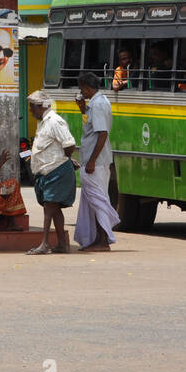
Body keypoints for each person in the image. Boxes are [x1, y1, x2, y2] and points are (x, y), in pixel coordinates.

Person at [25, 90, 78, 255]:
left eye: (32, 107)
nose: (31, 111)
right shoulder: (43, 122)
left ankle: (45, 243)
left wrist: (66, 159)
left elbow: (69, 144)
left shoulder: (55, 121)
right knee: (53, 209)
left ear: (40, 107)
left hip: (56, 170)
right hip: (47, 171)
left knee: (49, 207)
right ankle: (62, 244)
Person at [74, 72, 121, 251]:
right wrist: (82, 109)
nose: (81, 92)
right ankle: (95, 238)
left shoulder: (99, 104)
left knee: (98, 201)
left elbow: (102, 134)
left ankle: (103, 240)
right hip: (92, 160)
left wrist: (92, 161)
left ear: (87, 87)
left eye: (82, 89)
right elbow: (92, 127)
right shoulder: (94, 104)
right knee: (92, 201)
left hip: (96, 162)